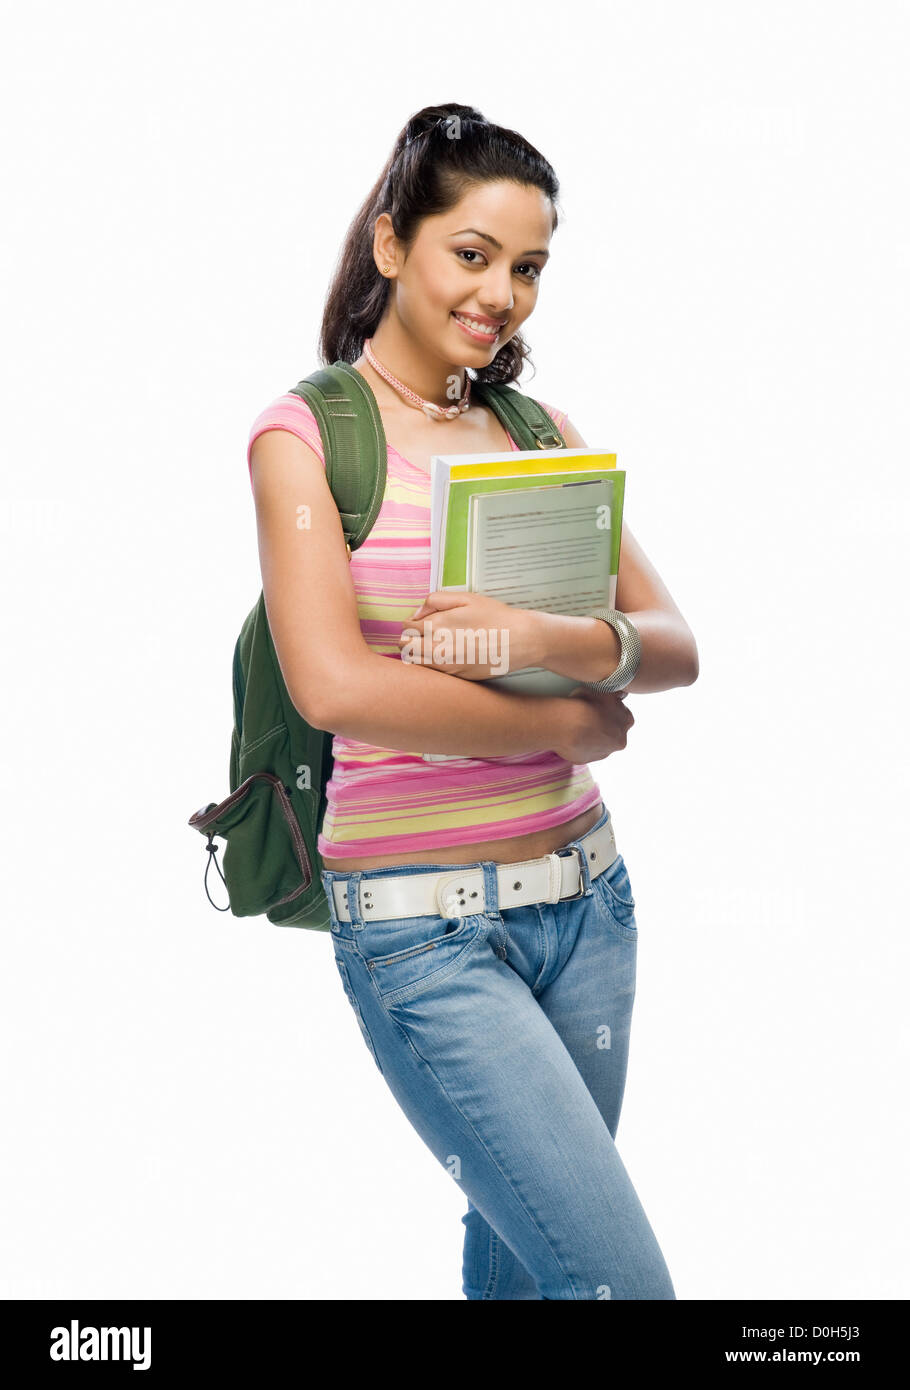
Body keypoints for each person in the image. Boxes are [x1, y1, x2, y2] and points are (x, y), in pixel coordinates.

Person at [247, 103, 699, 1300]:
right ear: (392, 245)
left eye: (531, 267)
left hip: (587, 908)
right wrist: (565, 716)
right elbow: (334, 684)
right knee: (615, 1284)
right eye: (473, 254)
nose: (503, 294)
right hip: (420, 935)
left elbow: (673, 643)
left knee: (525, 1265)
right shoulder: (305, 439)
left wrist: (543, 636)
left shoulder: (537, 430)